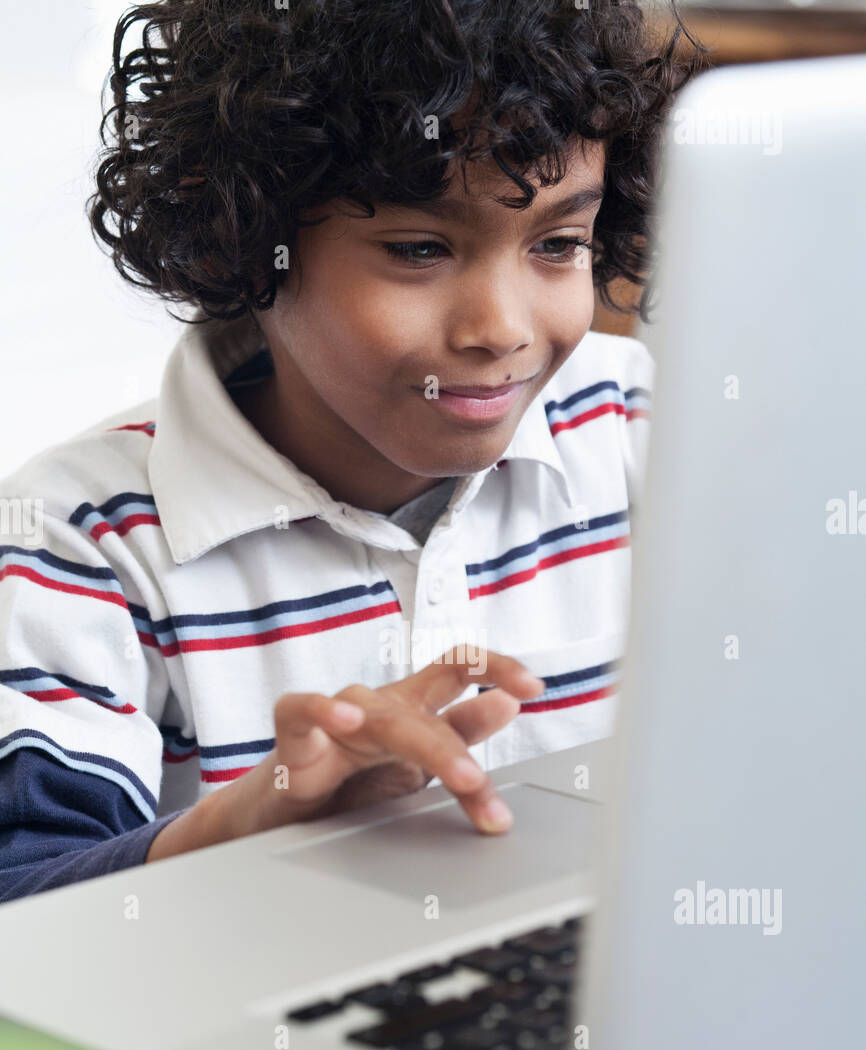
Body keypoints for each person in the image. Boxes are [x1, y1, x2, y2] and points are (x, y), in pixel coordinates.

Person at [0, 0, 705, 903]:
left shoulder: (637, 425)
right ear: (247, 245)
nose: (502, 329)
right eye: (418, 247)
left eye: (559, 244)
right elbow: (24, 916)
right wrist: (246, 822)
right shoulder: (84, 545)